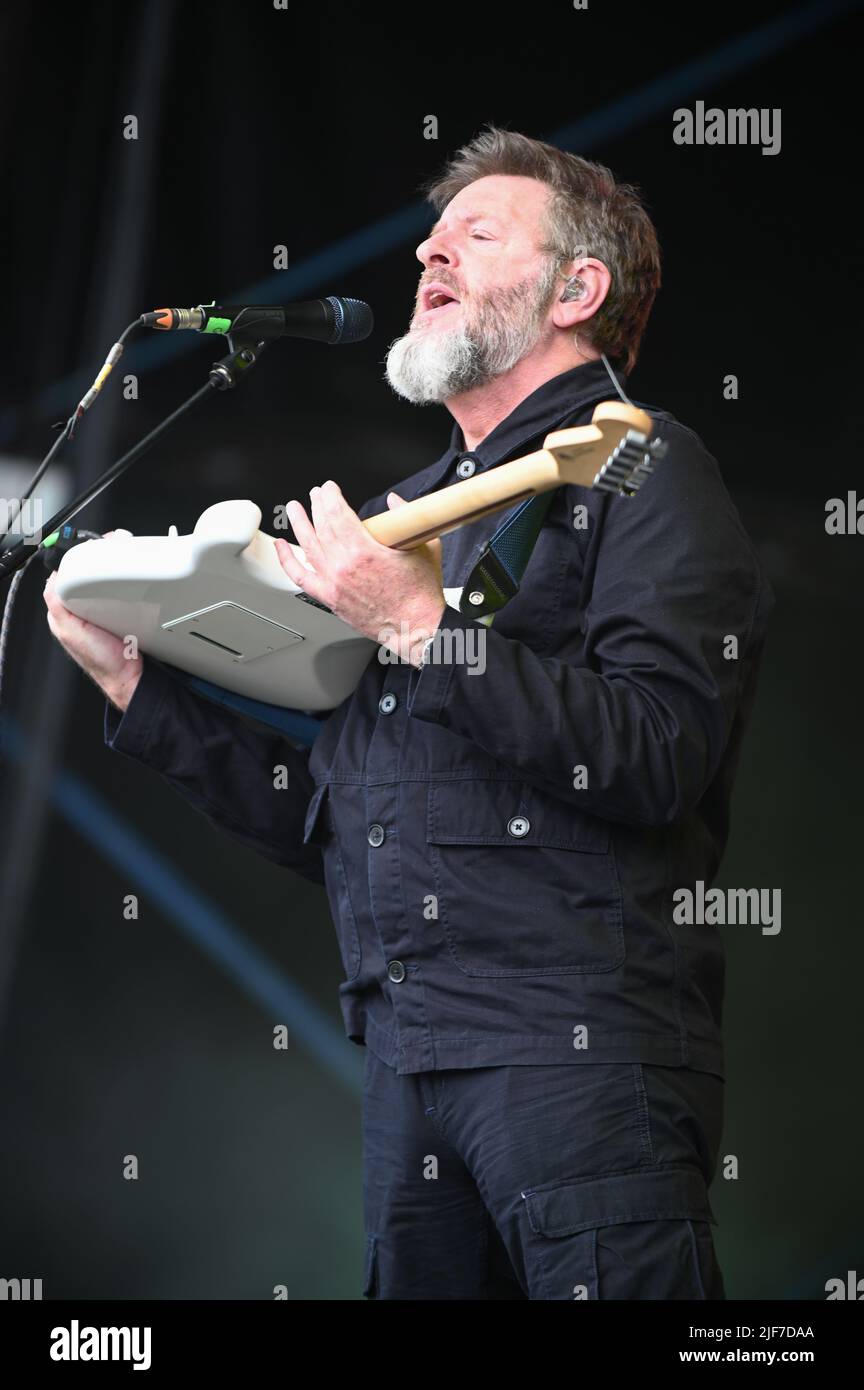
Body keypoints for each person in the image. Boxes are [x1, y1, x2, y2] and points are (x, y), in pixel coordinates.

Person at [44, 127, 774, 1300]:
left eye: (478, 234)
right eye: (432, 235)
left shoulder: (641, 468)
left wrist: (428, 633)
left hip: (575, 1049)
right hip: (408, 1062)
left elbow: (657, 755)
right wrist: (141, 691)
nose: (428, 250)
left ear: (575, 290)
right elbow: (338, 824)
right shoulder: (409, 515)